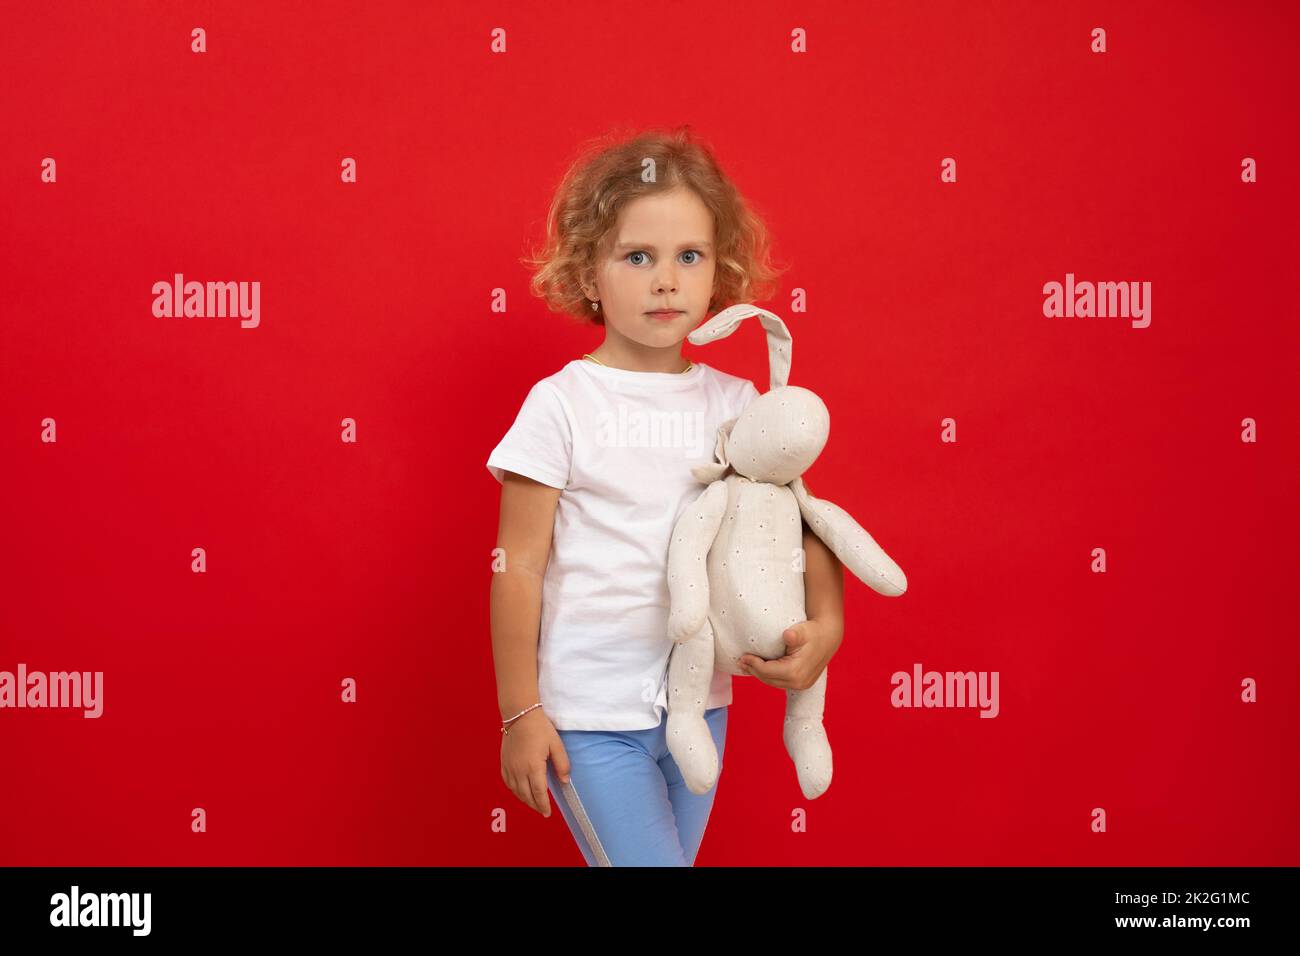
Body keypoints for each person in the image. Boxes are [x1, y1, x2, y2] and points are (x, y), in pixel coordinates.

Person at [487, 126, 846, 866]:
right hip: (589, 714)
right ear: (589, 274)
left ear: (720, 271)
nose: (666, 280)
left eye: (690, 256)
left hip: (700, 705)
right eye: (637, 257)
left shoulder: (739, 403)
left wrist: (829, 626)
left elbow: (801, 527)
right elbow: (516, 565)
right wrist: (520, 711)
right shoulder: (561, 404)